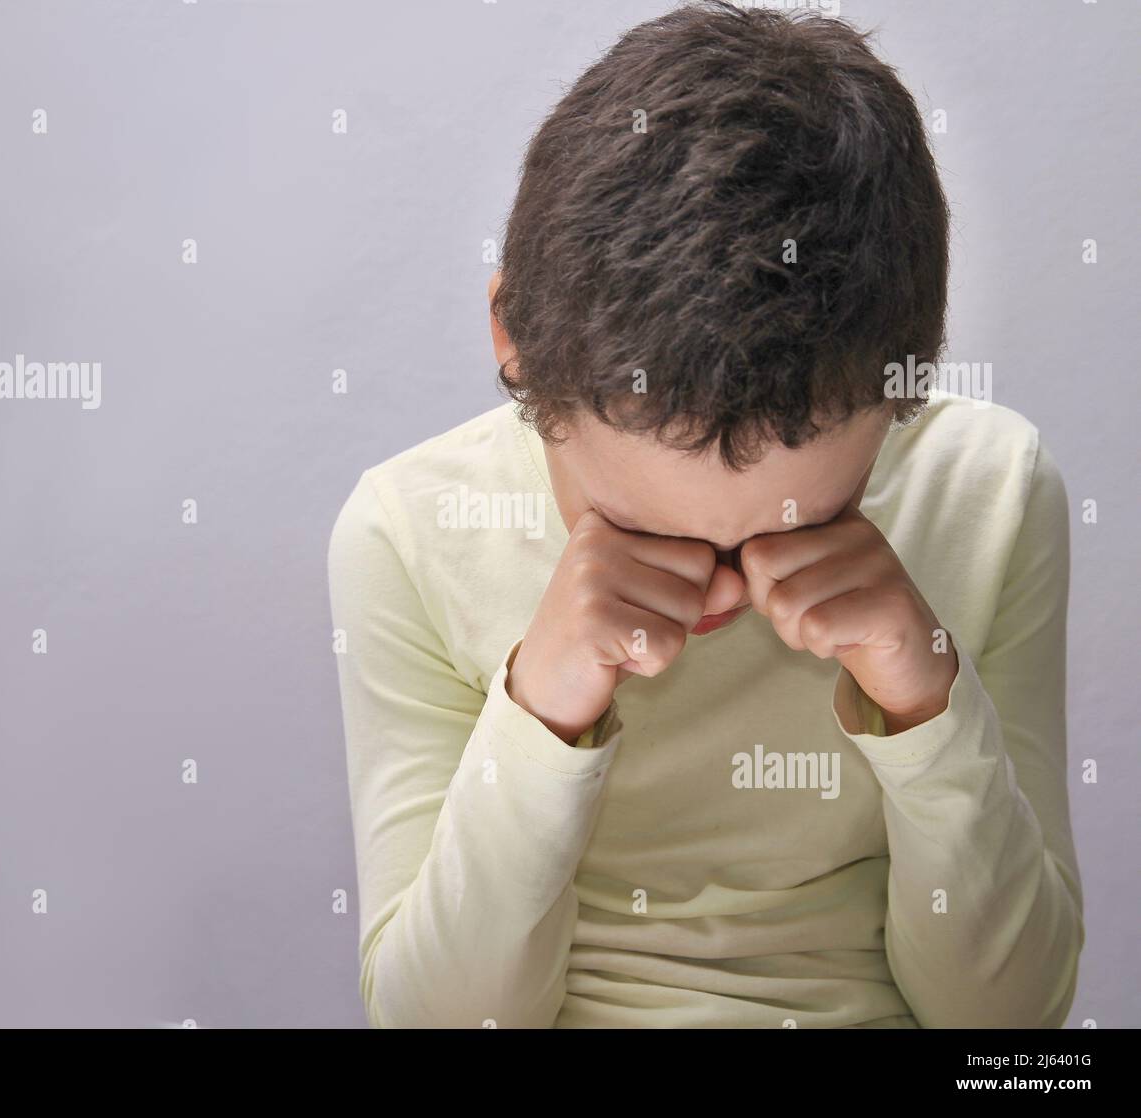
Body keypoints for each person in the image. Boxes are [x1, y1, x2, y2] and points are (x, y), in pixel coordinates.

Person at [327, 1, 1083, 1028]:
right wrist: (543, 709)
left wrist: (922, 702)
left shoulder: (992, 488)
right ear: (513, 335)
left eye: (804, 522)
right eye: (643, 529)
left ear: (905, 383)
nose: (726, 584)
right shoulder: (407, 532)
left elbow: (1006, 1029)